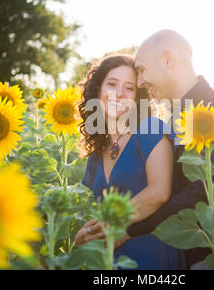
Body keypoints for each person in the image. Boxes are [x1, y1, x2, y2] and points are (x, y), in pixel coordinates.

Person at [80, 30, 214, 269]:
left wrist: (129, 230)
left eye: (141, 71)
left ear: (168, 60)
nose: (140, 83)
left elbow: (202, 193)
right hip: (185, 253)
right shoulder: (175, 118)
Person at [75, 54, 186, 270]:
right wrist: (85, 236)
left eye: (129, 87)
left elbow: (159, 192)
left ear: (138, 96)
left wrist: (110, 225)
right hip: (110, 261)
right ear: (98, 90)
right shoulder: (97, 152)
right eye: (112, 84)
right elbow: (100, 211)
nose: (119, 94)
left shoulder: (150, 129)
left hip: (152, 255)